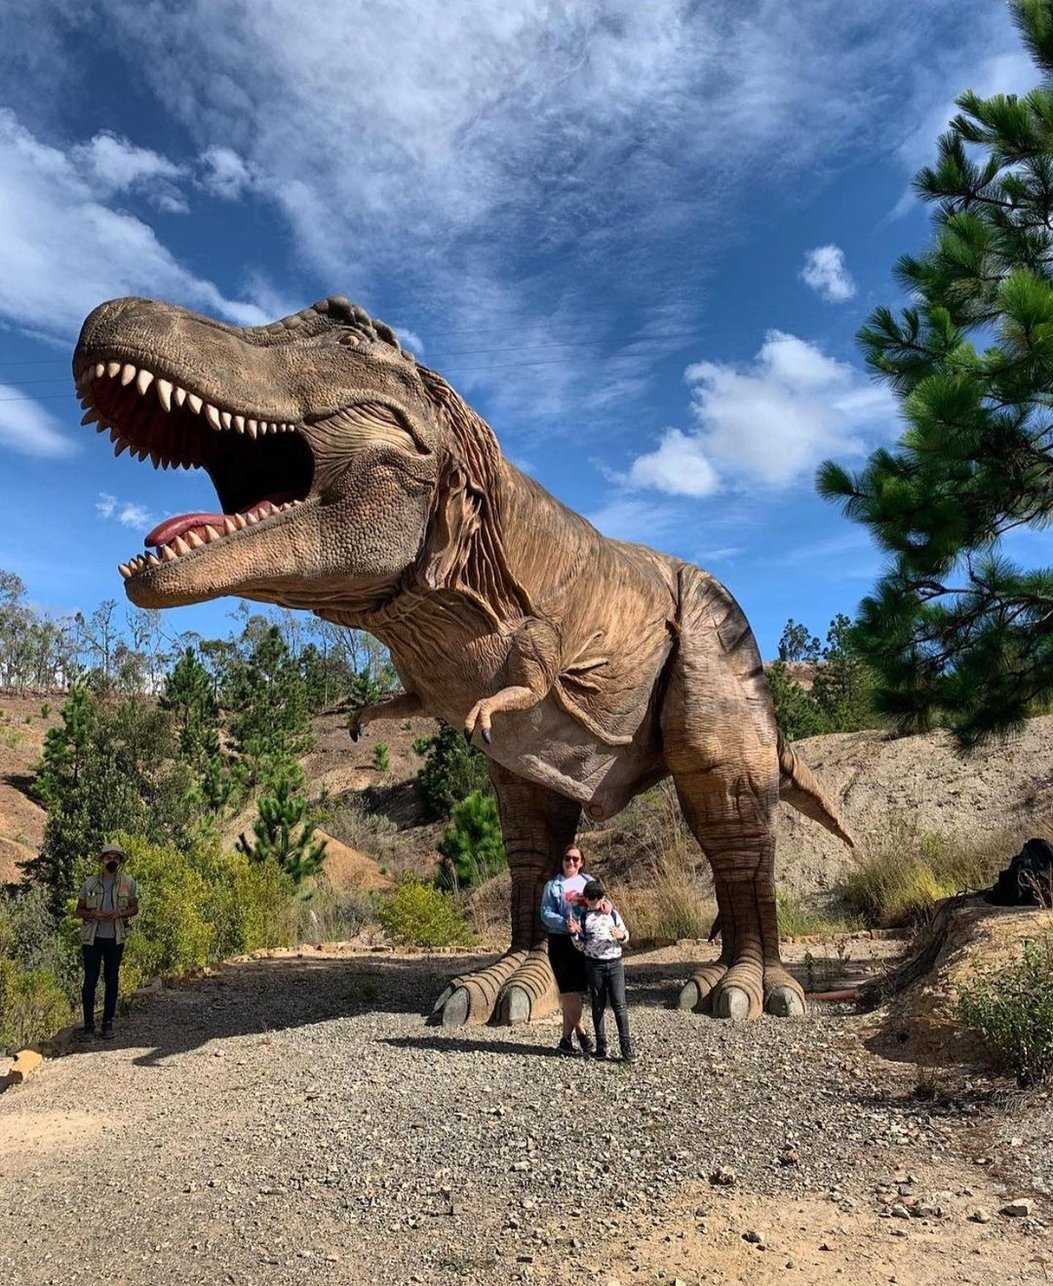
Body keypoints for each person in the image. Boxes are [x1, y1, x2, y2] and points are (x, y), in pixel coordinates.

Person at [75, 844, 139, 1040]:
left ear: (120, 861)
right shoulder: (90, 883)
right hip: (92, 939)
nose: (112, 861)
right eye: (108, 857)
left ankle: (107, 1023)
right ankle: (88, 1025)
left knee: (112, 981)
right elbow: (79, 910)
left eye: (116, 858)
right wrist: (92, 913)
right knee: (90, 982)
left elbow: (134, 908)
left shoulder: (128, 883)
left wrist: (120, 913)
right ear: (102, 860)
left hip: (115, 938)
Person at [569, 879, 635, 1062]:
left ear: (603, 897)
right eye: (591, 897)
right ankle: (601, 1046)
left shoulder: (612, 913)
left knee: (619, 1005)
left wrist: (621, 936)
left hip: (615, 964)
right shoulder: (584, 917)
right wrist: (574, 934)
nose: (595, 900)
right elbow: (581, 946)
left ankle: (626, 1047)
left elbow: (625, 933)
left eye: (598, 896)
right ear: (586, 899)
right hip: (594, 965)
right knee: (597, 1006)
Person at [540, 845, 596, 1056]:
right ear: (562, 861)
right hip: (560, 940)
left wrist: (606, 907)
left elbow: (600, 901)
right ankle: (582, 1033)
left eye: (575, 859)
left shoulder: (588, 882)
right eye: (567, 858)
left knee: (576, 990)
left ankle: (565, 1040)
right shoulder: (552, 885)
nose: (571, 862)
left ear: (581, 862)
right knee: (568, 989)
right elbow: (545, 913)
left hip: (582, 939)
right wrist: (565, 923)